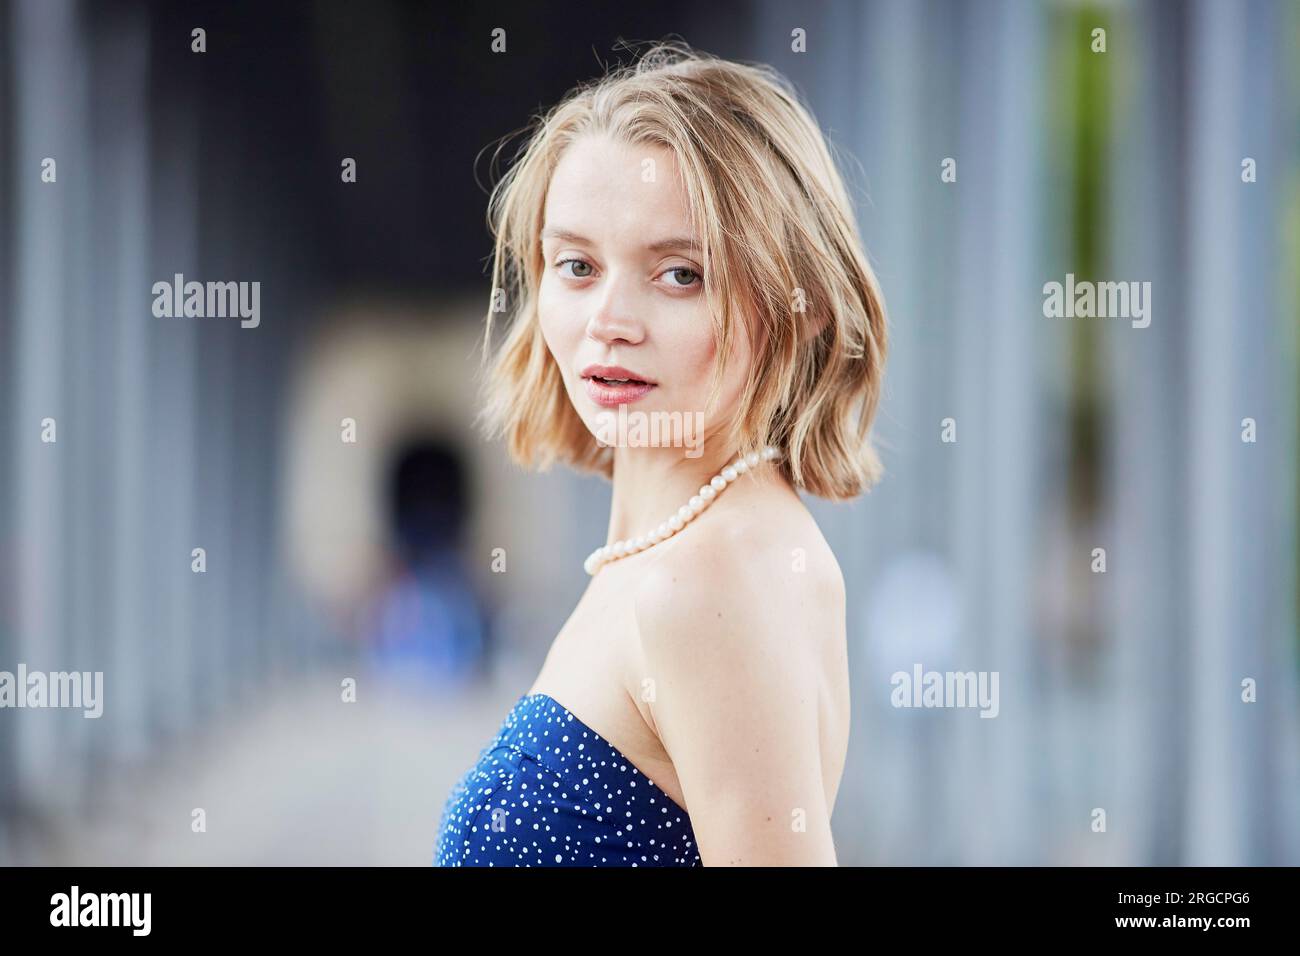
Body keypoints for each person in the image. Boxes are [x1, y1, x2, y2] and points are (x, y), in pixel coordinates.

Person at [434, 40, 888, 867]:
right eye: (577, 265)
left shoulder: (710, 577)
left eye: (680, 274)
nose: (609, 319)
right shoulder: (674, 552)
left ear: (803, 305)